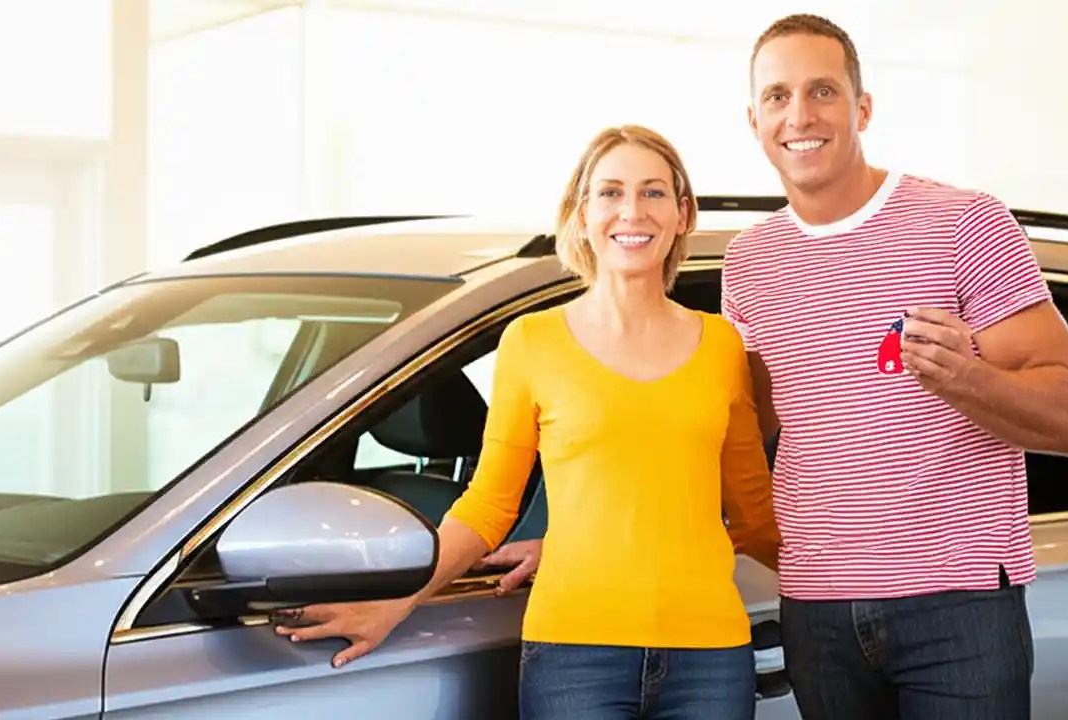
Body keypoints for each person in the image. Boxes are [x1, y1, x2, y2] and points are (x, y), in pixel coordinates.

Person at [273, 124, 780, 719]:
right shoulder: (533, 342)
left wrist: (872, 584)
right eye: (610, 192)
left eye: (653, 192)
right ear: (581, 213)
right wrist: (397, 600)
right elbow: (488, 506)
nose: (632, 211)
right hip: (575, 658)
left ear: (681, 213)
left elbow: (753, 514)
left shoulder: (721, 347)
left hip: (710, 657)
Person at [720, 13, 1068, 720]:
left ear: (862, 108)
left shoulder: (964, 223)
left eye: (822, 91)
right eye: (777, 96)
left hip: (957, 609)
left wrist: (967, 378)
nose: (799, 115)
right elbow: (734, 432)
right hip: (816, 610)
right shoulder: (750, 263)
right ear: (753, 119)